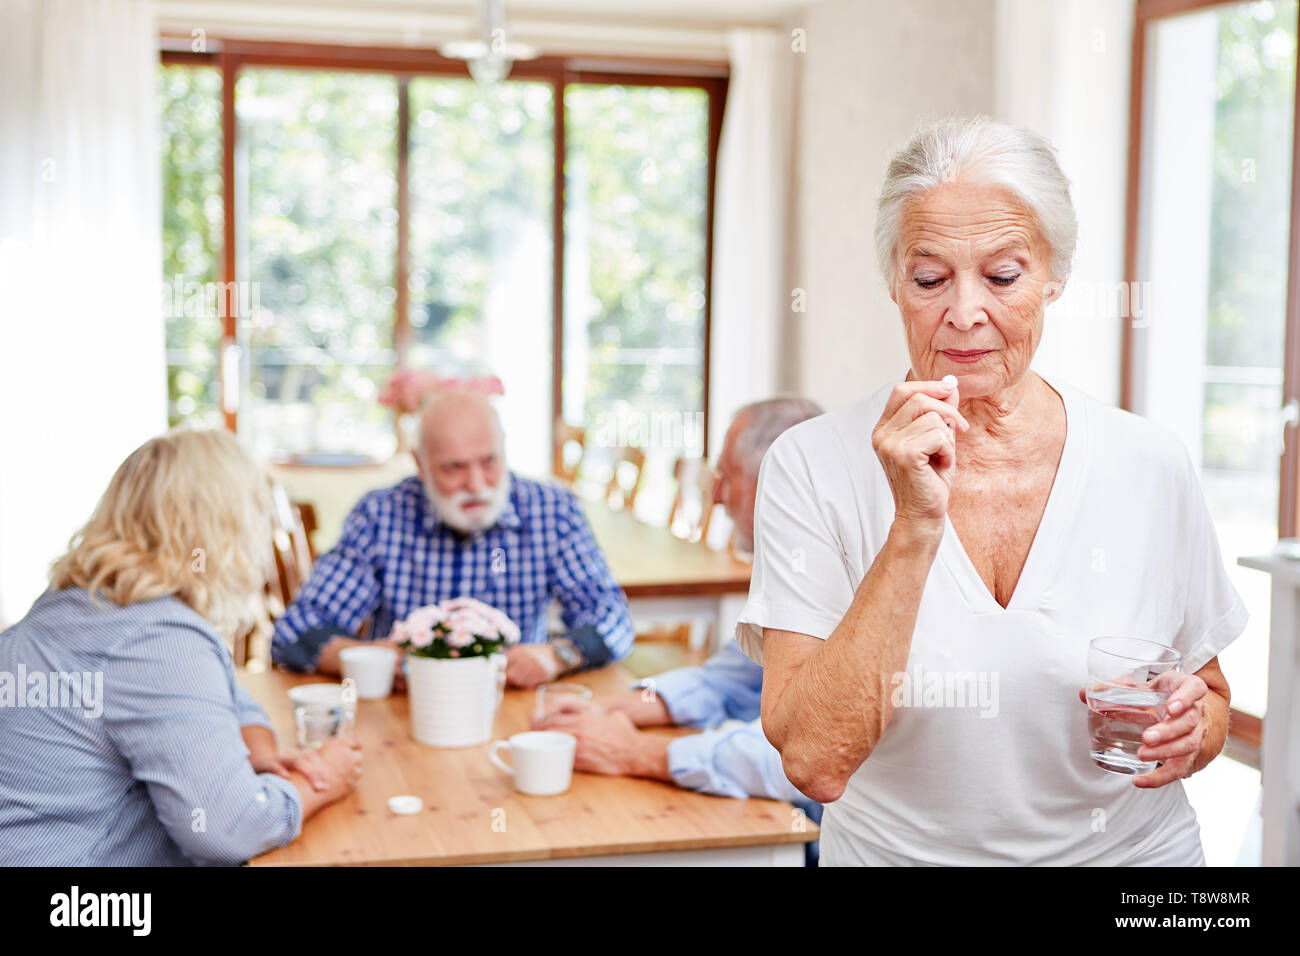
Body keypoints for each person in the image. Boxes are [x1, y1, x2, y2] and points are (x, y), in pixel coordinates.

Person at [738, 116, 1248, 866]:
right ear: (894, 282)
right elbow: (815, 762)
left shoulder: (1150, 462)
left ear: (1053, 278)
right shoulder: (811, 465)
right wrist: (913, 527)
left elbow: (1209, 696)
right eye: (929, 278)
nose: (966, 311)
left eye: (1004, 276)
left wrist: (1190, 728)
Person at [0, 429, 362, 866]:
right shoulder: (155, 638)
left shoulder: (78, 607)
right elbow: (225, 829)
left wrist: (261, 757)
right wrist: (322, 781)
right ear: (224, 528)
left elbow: (228, 696)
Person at [533, 399, 825, 857]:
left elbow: (797, 758)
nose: (715, 497)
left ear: (779, 481)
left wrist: (638, 754)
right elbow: (725, 680)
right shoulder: (797, 570)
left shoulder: (854, 576)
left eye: (726, 478)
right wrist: (618, 707)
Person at [273, 387, 635, 688]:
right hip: (404, 710)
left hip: (513, 705)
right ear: (420, 464)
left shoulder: (552, 510)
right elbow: (296, 631)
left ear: (505, 448)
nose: (476, 484)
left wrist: (557, 655)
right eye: (454, 468)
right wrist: (372, 660)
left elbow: (611, 616)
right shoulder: (381, 515)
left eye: (489, 461)